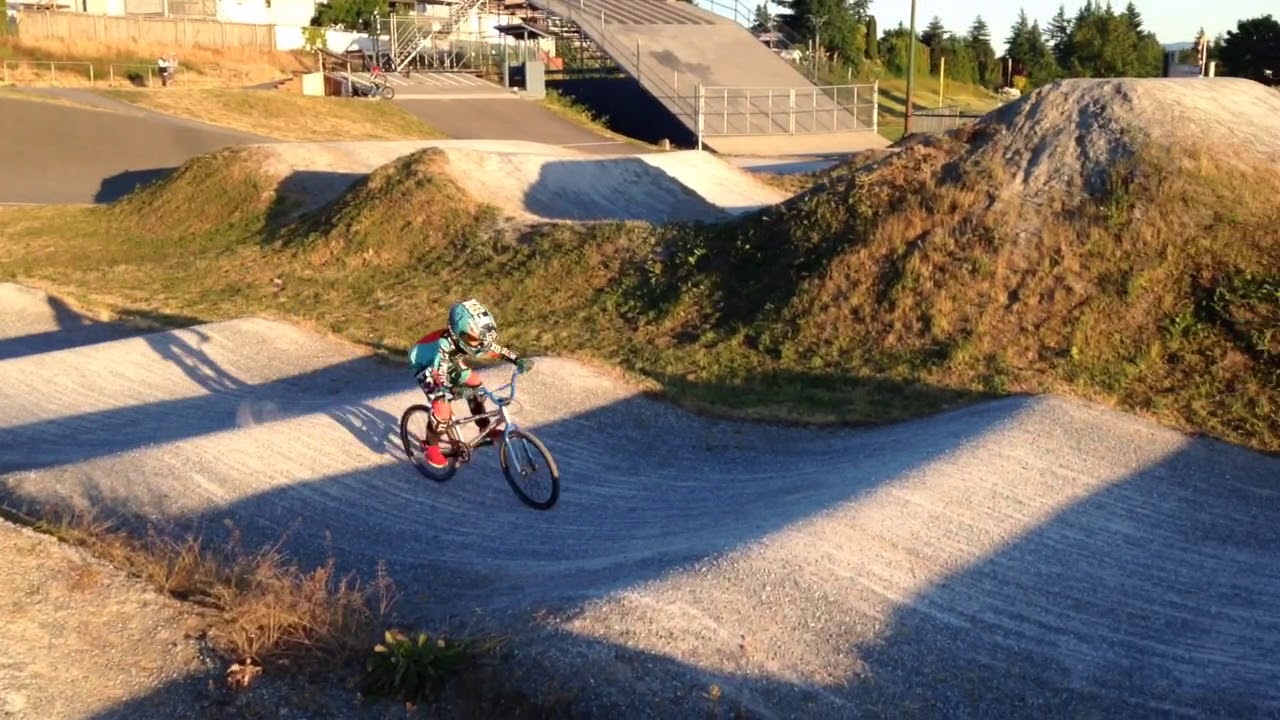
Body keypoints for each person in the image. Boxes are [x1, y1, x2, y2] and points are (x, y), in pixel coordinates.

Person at [409, 298, 533, 469]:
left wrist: (516, 359)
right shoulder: (444, 346)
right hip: (427, 364)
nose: (479, 345)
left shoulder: (470, 338)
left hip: (449, 362)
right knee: (442, 406)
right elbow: (440, 378)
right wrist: (455, 390)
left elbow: (492, 349)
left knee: (475, 383)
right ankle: (430, 447)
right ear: (457, 333)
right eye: (475, 340)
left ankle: (484, 428)